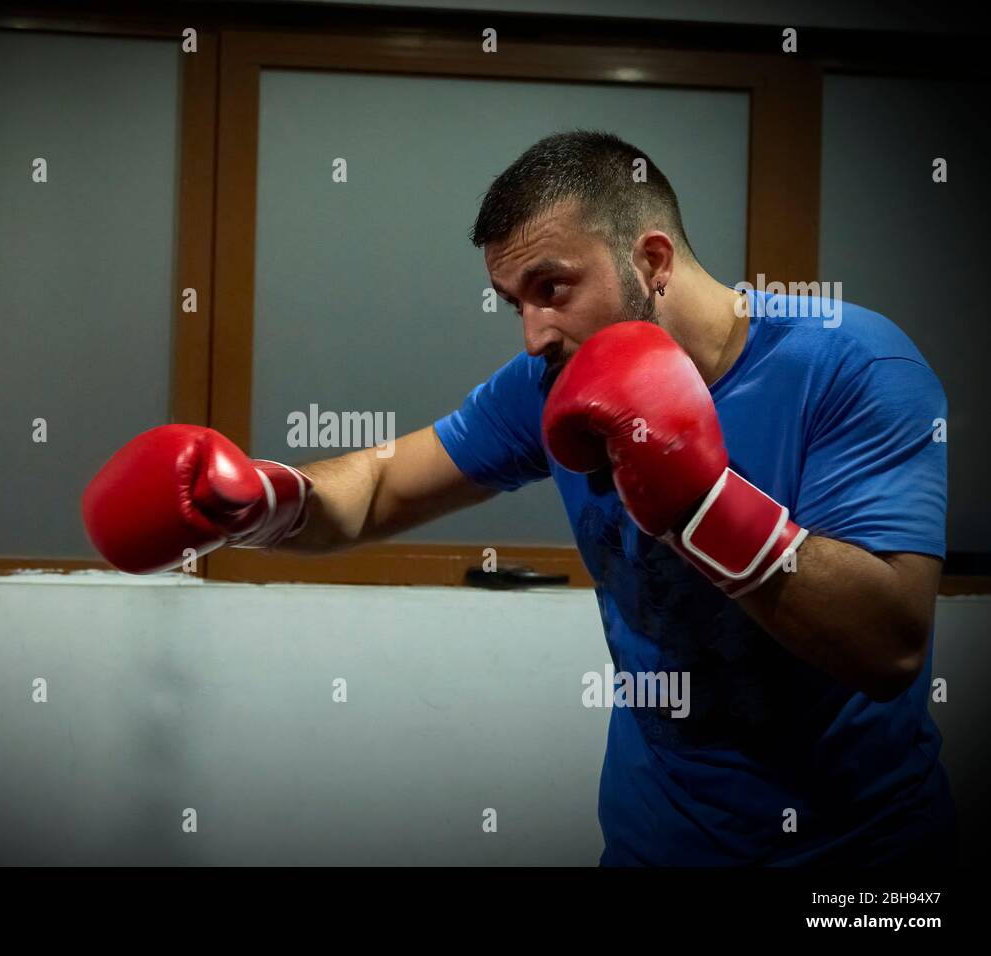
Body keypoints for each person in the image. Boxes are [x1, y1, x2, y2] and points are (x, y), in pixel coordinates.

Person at [82, 130, 955, 866]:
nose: (534, 331)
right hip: (654, 844)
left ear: (651, 260)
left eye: (553, 289)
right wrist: (270, 499)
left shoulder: (851, 366)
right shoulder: (550, 383)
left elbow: (888, 646)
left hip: (862, 858)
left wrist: (699, 502)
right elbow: (382, 485)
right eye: (512, 301)